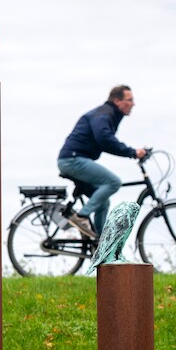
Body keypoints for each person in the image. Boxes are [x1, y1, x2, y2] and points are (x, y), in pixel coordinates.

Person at [56, 85, 147, 239]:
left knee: (103, 201)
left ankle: (100, 243)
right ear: (117, 101)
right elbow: (104, 139)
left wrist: (131, 152)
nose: (133, 104)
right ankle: (81, 216)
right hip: (72, 159)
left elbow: (106, 141)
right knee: (113, 182)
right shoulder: (104, 114)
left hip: (75, 159)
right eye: (129, 100)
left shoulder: (108, 114)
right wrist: (132, 152)